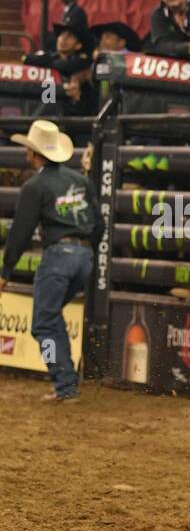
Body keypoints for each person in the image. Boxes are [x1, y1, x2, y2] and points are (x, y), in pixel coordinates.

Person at [0, 121, 97, 403]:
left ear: (34, 154)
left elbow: (21, 231)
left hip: (58, 258)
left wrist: (6, 270)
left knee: (43, 323)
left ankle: (64, 384)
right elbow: (99, 223)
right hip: (84, 257)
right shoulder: (80, 180)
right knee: (51, 317)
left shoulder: (35, 186)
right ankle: (66, 379)